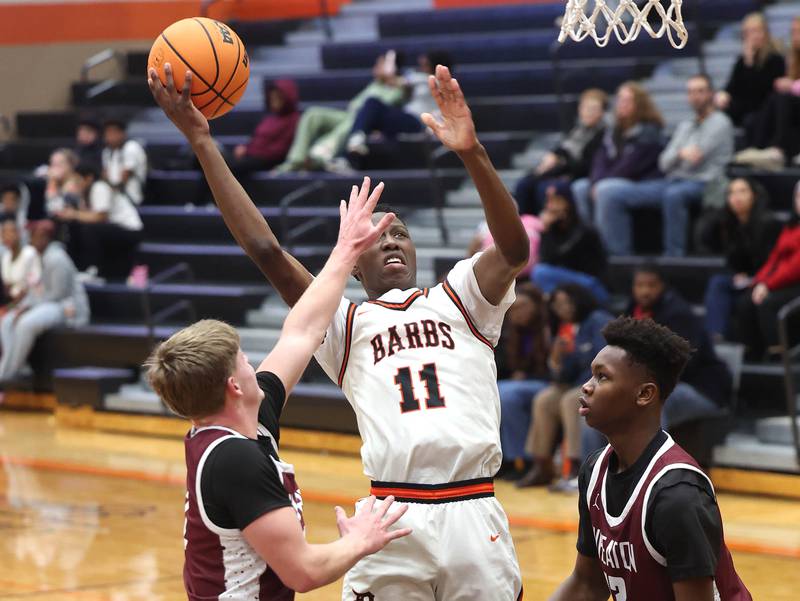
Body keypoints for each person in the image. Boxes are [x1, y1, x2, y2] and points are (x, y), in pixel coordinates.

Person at [149, 61, 529, 600]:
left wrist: (473, 153)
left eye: (399, 231)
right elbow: (266, 251)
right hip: (391, 515)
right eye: (376, 235)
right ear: (352, 262)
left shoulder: (462, 298)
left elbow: (514, 248)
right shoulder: (344, 325)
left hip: (473, 508)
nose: (391, 240)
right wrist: (204, 143)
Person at [145, 180, 412, 599]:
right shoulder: (236, 460)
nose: (254, 362)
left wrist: (346, 251)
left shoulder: (239, 424)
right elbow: (303, 573)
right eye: (243, 360)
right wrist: (361, 540)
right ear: (234, 385)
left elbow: (301, 332)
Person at [548, 317, 752, 601]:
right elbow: (586, 585)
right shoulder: (594, 471)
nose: (586, 387)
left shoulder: (677, 495)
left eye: (602, 376)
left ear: (644, 394)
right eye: (591, 375)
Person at [592, 74, 734, 257]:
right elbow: (664, 162)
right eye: (691, 92)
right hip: (673, 180)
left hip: (705, 183)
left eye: (701, 91)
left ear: (711, 94)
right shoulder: (685, 125)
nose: (695, 96)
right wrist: (681, 153)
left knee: (673, 195)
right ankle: (617, 256)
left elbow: (695, 158)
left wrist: (678, 155)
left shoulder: (720, 122)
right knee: (608, 191)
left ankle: (674, 256)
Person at [517, 284, 612, 490]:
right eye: (557, 305)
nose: (562, 309)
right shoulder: (567, 328)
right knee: (545, 399)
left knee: (571, 400)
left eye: (566, 302)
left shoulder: (597, 320)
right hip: (578, 383)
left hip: (602, 384)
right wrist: (557, 360)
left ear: (579, 298)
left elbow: (605, 362)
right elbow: (563, 376)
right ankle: (542, 465)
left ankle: (577, 469)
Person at [626, 264, 732, 429]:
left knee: (652, 400)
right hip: (653, 383)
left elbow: (684, 362)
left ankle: (655, 455)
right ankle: (599, 455)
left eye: (651, 285)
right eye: (639, 285)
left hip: (700, 388)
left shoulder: (679, 314)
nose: (645, 291)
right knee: (602, 401)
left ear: (662, 286)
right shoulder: (631, 312)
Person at [276, 51, 405, 173]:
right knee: (313, 113)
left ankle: (318, 156)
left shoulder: (399, 88)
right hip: (348, 115)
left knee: (353, 121)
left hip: (365, 123)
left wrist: (393, 80)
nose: (376, 67)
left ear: (391, 68)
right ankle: (296, 159)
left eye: (380, 64)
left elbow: (387, 105)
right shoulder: (375, 84)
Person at [0, 220, 89, 382]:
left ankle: (10, 372)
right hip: (45, 304)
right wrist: (24, 306)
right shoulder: (36, 258)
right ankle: (14, 366)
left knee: (26, 323)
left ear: (45, 238)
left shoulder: (57, 259)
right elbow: (34, 290)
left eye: (35, 237)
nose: (31, 240)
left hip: (67, 308)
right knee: (7, 320)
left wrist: (29, 308)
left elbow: (58, 294)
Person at [696, 178, 782, 341]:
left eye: (742, 191)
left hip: (767, 279)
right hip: (746, 278)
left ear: (754, 196)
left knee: (742, 300)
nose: (737, 197)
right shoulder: (729, 224)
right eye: (732, 193)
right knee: (718, 282)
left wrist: (757, 278)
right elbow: (718, 251)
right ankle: (714, 337)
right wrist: (737, 274)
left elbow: (775, 261)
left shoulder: (769, 223)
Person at [571, 82, 665, 231]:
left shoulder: (649, 131)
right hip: (617, 180)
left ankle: (614, 250)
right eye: (619, 99)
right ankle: (590, 238)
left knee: (605, 189)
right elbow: (600, 159)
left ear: (639, 105)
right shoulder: (614, 129)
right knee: (580, 187)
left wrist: (601, 183)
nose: (621, 104)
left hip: (646, 182)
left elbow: (630, 167)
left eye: (627, 100)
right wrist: (596, 182)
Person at [345, 50, 454, 160]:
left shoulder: (430, 80)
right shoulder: (420, 79)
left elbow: (389, 77)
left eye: (424, 65)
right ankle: (356, 141)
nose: (420, 68)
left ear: (434, 67)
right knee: (369, 111)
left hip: (418, 123)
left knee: (372, 103)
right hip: (408, 119)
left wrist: (391, 56)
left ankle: (357, 138)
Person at [514, 88, 608, 216]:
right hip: (563, 170)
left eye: (593, 109)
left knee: (545, 188)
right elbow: (561, 149)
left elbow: (585, 165)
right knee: (524, 184)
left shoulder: (603, 134)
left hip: (579, 175)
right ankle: (526, 226)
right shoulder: (577, 130)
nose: (588, 112)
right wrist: (552, 157)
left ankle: (545, 229)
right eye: (586, 107)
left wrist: (561, 161)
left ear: (602, 112)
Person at [734, 181, 800, 359]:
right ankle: (753, 351)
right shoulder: (791, 225)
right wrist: (759, 281)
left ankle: (778, 354)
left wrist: (768, 285)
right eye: (798, 196)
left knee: (767, 302)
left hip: (795, 283)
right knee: (746, 301)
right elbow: (774, 259)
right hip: (782, 282)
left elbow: (795, 267)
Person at [496, 283, 551, 481]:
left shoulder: (548, 329)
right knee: (490, 393)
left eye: (523, 306)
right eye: (514, 308)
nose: (517, 312)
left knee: (506, 395)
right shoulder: (510, 332)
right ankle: (502, 460)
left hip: (547, 384)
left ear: (537, 306)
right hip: (520, 384)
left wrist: (525, 377)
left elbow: (554, 370)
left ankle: (522, 460)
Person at [54, 164, 143, 280]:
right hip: (112, 229)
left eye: (77, 179)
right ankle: (75, 267)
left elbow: (101, 217)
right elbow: (85, 216)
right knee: (75, 225)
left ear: (89, 178)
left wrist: (73, 214)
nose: (75, 183)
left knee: (90, 229)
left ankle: (92, 267)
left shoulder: (99, 187)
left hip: (130, 230)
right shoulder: (84, 193)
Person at [739, 16, 800, 169]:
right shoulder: (793, 59)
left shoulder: (776, 59)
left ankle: (775, 149)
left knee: (781, 98)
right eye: (793, 32)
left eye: (798, 32)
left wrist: (792, 85)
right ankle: (760, 150)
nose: (795, 36)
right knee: (767, 105)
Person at [531, 183, 609, 304]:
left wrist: (546, 230)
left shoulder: (584, 229)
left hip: (592, 285)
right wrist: (546, 231)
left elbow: (562, 253)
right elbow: (546, 259)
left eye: (556, 201)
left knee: (540, 272)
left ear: (568, 202)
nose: (550, 206)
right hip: (569, 284)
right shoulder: (553, 229)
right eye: (549, 201)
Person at [715, 12, 785, 139]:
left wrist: (750, 63)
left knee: (750, 119)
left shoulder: (775, 59)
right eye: (748, 32)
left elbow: (759, 92)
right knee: (719, 114)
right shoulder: (741, 61)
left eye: (756, 31)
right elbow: (732, 86)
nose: (752, 36)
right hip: (743, 109)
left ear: (765, 33)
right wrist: (723, 94)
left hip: (765, 109)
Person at [231, 79, 300, 173]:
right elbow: (256, 140)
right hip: (251, 157)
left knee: (222, 169)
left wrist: (248, 151)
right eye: (272, 98)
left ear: (287, 98)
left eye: (278, 98)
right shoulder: (269, 119)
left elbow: (278, 151)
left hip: (266, 161)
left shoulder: (294, 120)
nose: (274, 102)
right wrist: (246, 148)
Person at [102, 119, 148, 206]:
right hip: (113, 196)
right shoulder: (107, 152)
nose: (109, 136)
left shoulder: (131, 147)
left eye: (113, 132)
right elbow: (105, 175)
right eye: (107, 133)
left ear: (122, 133)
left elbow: (125, 177)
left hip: (130, 197)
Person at [0, 218, 40, 311]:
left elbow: (32, 286)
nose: (7, 236)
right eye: (4, 233)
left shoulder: (29, 253)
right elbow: (7, 286)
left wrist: (8, 308)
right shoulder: (6, 256)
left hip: (29, 301)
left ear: (18, 234)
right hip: (10, 302)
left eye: (11, 232)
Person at [43, 148, 79, 215]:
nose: (54, 168)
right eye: (52, 164)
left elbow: (54, 209)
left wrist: (52, 182)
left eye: (59, 164)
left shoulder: (76, 183)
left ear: (71, 165)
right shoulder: (56, 181)